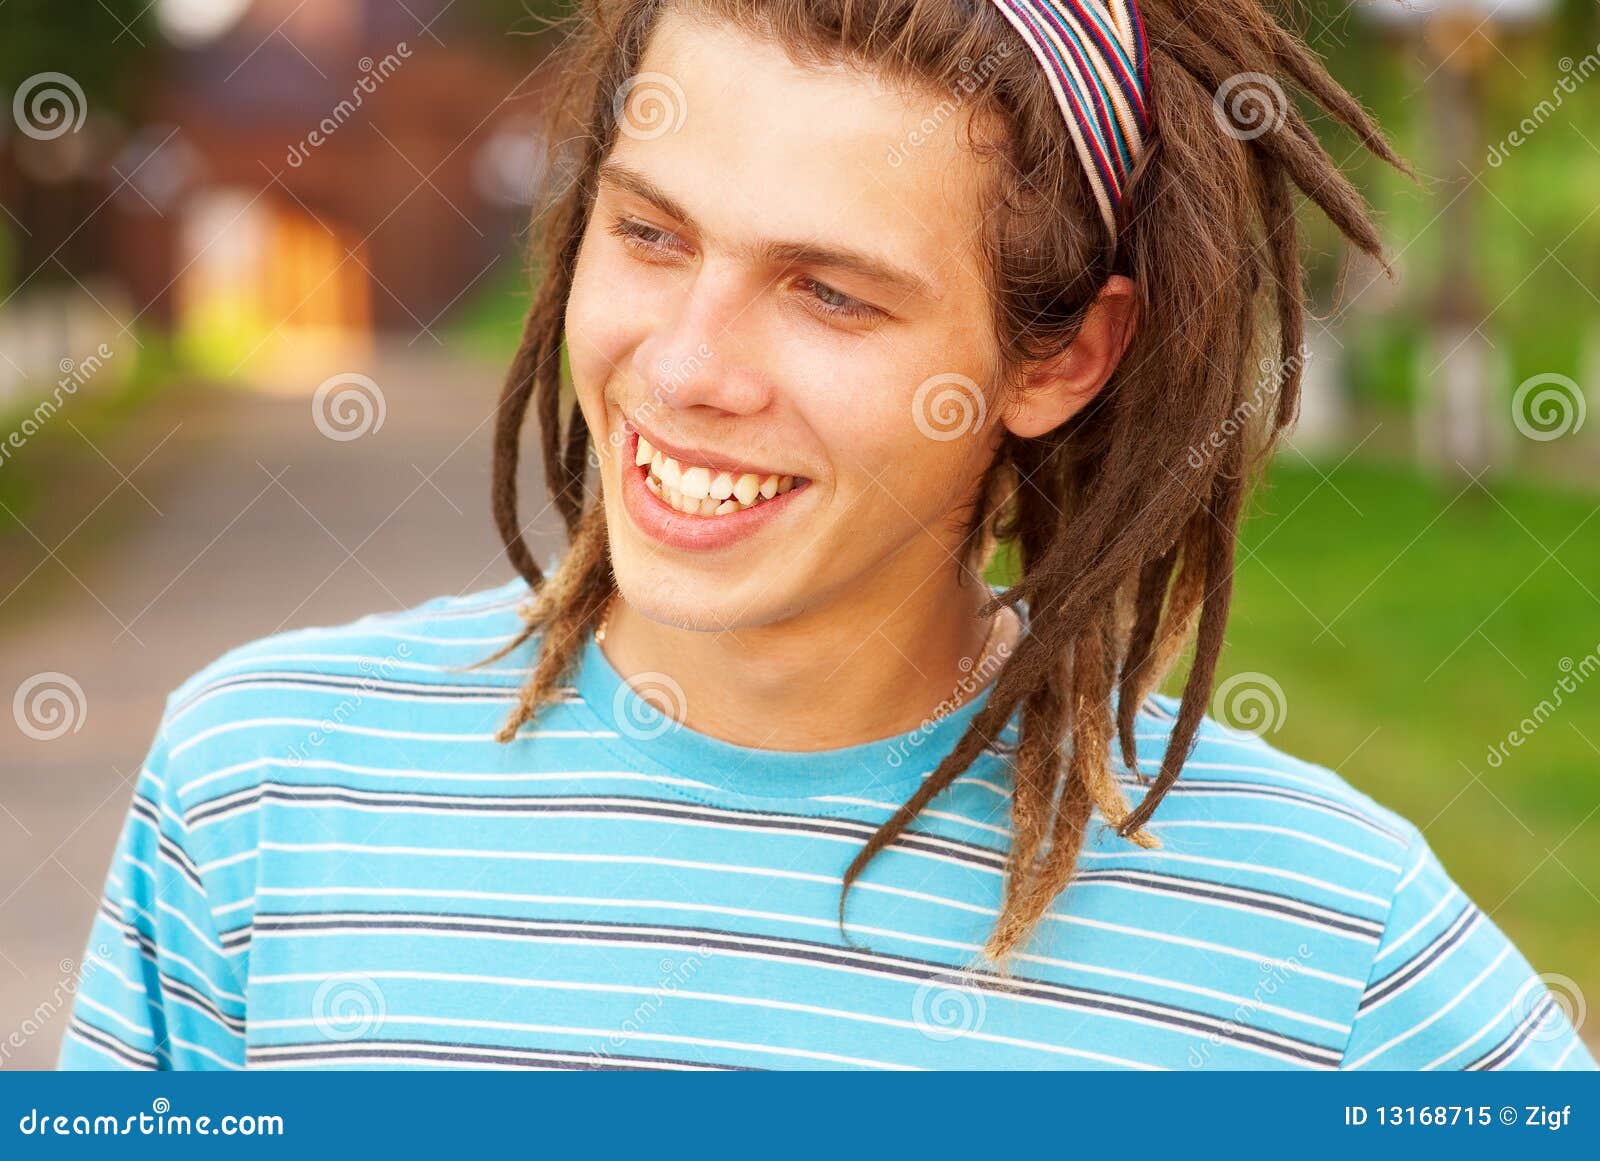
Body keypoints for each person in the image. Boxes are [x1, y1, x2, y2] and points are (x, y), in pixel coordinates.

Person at [61, 0, 1594, 1070]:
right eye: (651, 234)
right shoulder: (262, 790)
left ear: (1060, 356)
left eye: (830, 292)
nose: (685, 367)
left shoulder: (1321, 945)